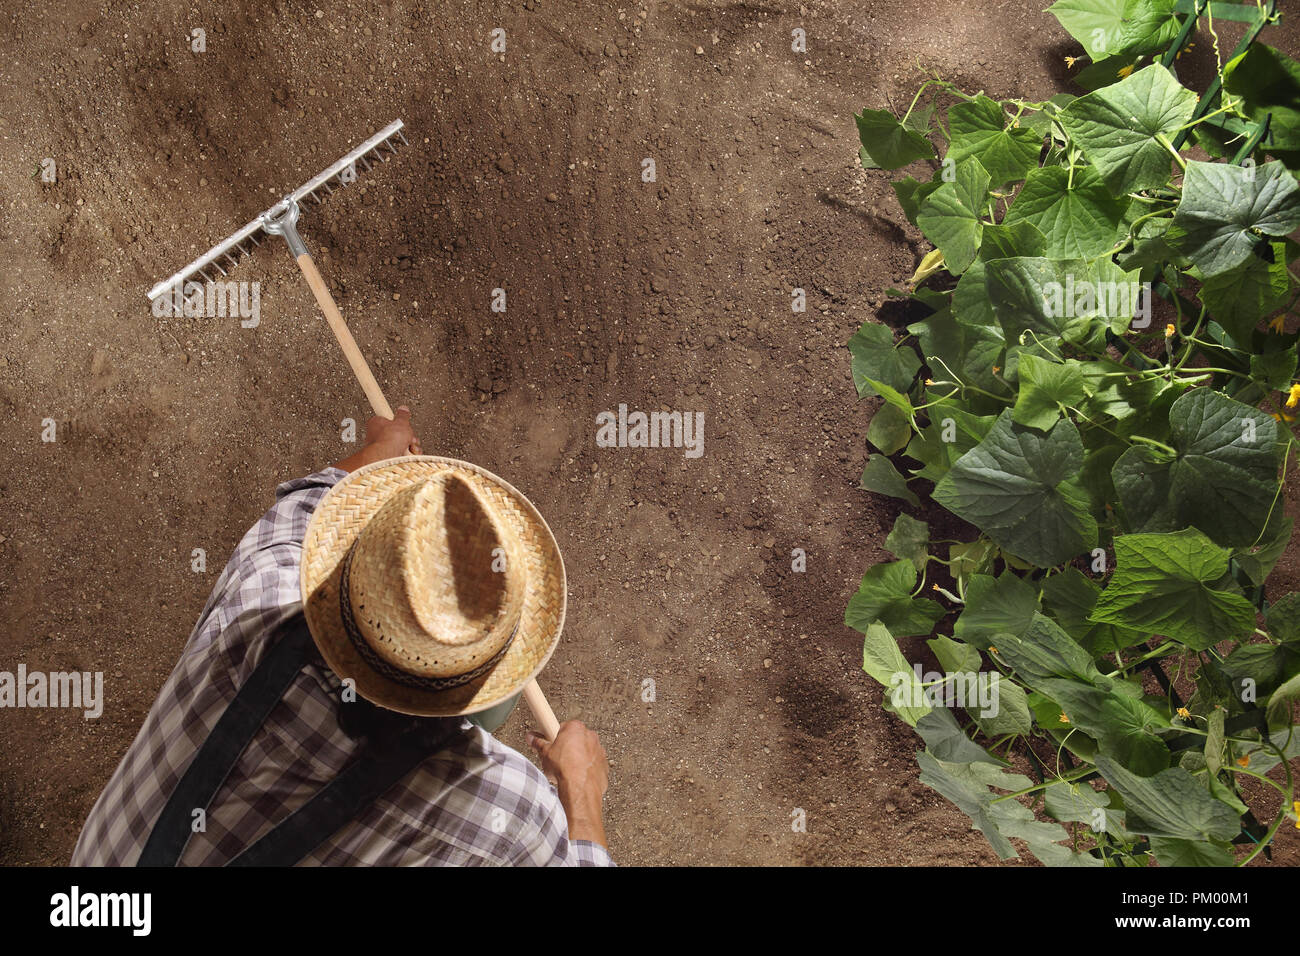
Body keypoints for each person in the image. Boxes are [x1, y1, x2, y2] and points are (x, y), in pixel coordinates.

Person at [72, 407, 613, 866]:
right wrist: (581, 797)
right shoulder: (518, 817)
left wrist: (379, 451)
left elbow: (310, 502)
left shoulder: (264, 588)